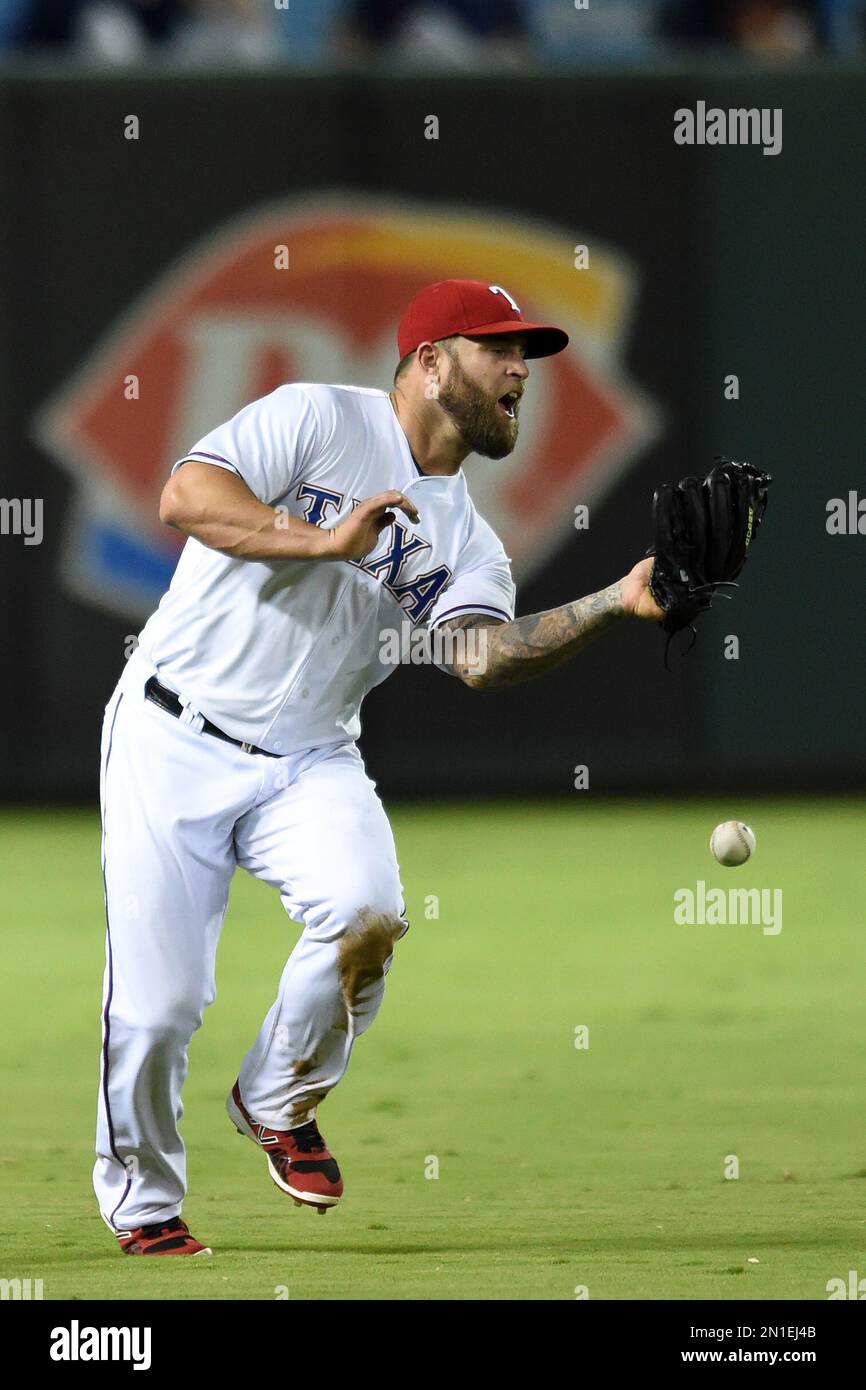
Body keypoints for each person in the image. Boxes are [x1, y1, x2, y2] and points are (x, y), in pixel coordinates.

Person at [95, 279, 662, 1255]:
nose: (521, 370)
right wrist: (322, 539)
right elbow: (185, 494)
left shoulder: (471, 543)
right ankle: (145, 1207)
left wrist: (614, 600)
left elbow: (481, 657)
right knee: (159, 1009)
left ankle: (276, 1095)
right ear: (430, 361)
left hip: (310, 755)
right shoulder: (314, 417)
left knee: (368, 911)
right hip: (170, 734)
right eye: (498, 349)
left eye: (526, 353)